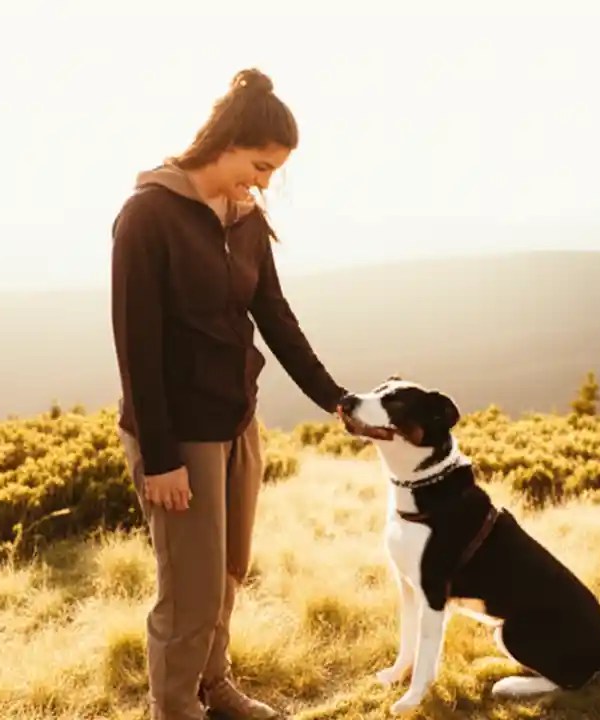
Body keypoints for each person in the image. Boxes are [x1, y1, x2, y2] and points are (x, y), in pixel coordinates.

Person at [110, 68, 349, 720]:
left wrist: (335, 399)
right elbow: (136, 348)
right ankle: (175, 708)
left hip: (237, 422)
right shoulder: (147, 216)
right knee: (188, 591)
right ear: (226, 141)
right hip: (177, 434)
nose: (264, 182)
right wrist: (161, 458)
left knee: (226, 574)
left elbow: (275, 316)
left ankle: (213, 687)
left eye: (273, 172)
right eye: (260, 166)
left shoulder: (245, 219)